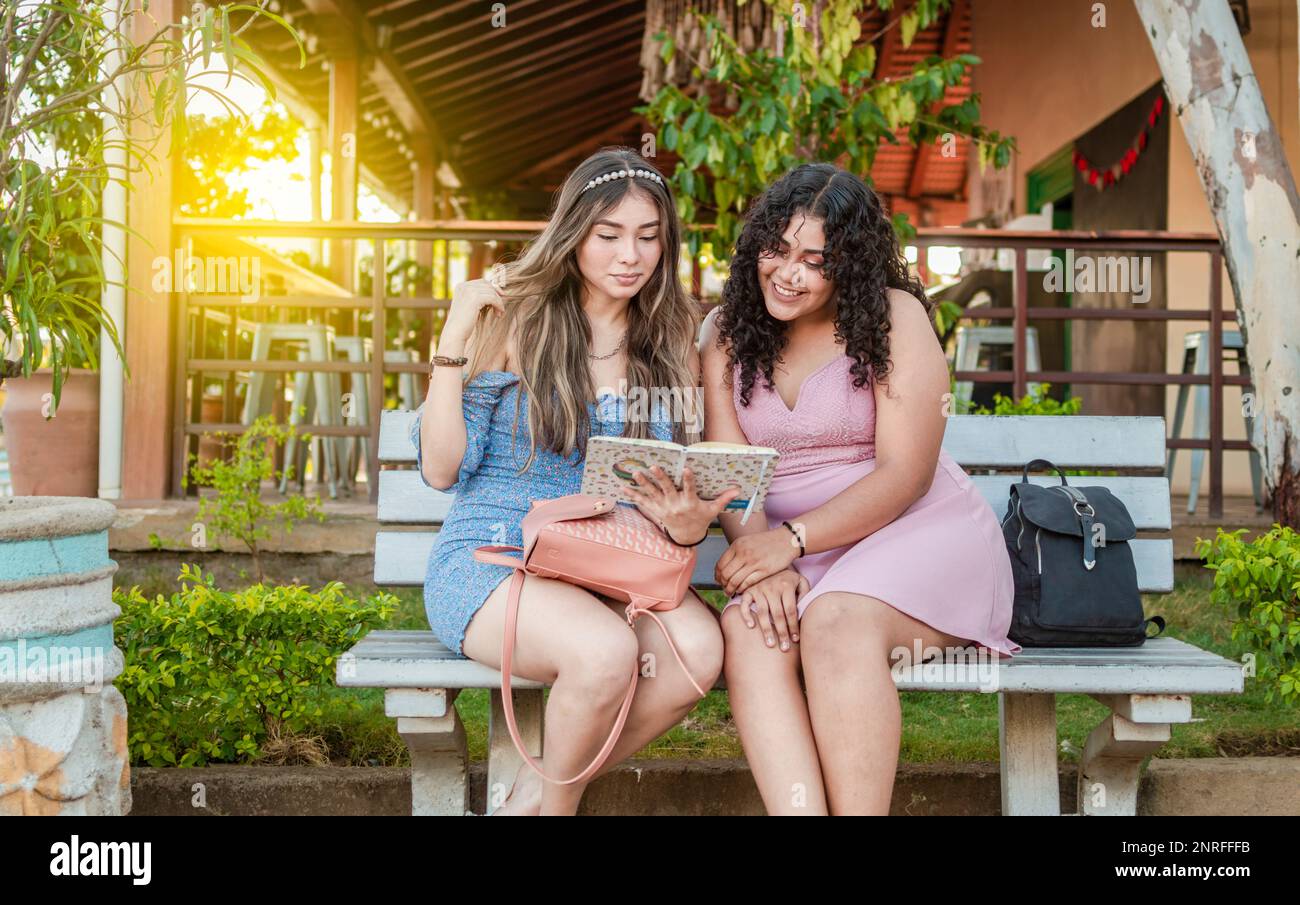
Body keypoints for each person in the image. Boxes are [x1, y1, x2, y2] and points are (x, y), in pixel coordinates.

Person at [410, 148, 736, 815]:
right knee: (605, 651)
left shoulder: (672, 335)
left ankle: (534, 795)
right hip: (492, 561)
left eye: (649, 237)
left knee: (699, 650)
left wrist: (687, 522)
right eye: (608, 234)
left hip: (601, 567)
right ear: (573, 231)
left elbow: (670, 482)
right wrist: (451, 342)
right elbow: (442, 468)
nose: (630, 255)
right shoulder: (514, 316)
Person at [699, 163, 1018, 815]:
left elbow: (907, 473)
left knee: (837, 623)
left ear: (850, 266)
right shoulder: (724, 333)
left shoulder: (892, 317)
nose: (789, 273)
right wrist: (761, 562)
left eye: (816, 261)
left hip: (915, 531)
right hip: (797, 554)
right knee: (750, 626)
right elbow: (731, 466)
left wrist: (787, 542)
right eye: (778, 249)